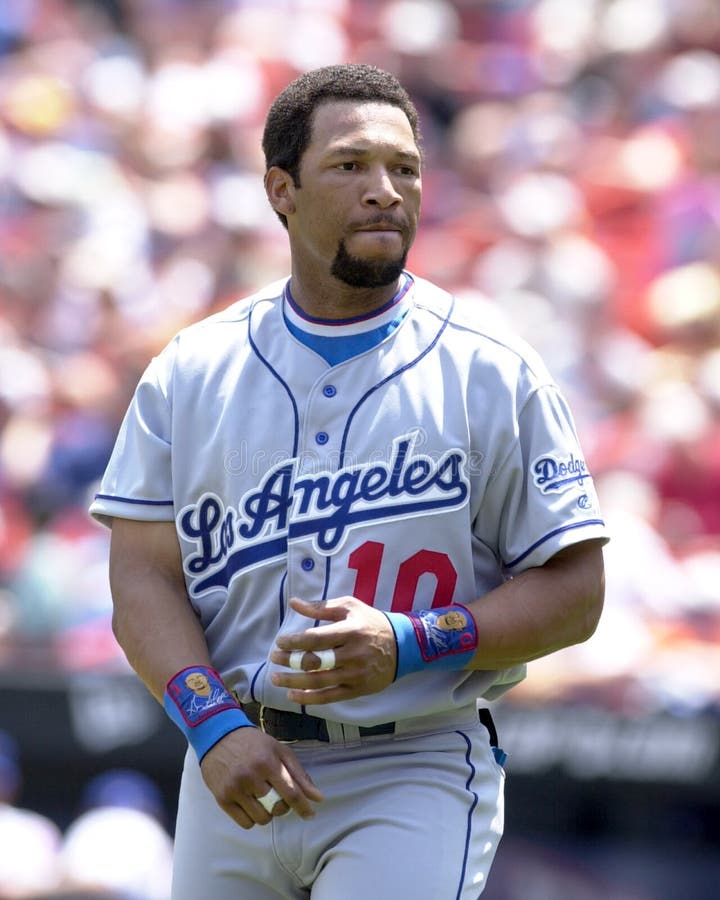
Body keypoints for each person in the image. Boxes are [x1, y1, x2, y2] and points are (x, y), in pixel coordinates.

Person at [89, 64, 609, 899]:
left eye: (404, 168)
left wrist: (411, 641)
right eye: (350, 165)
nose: (384, 190)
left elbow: (577, 592)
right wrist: (211, 726)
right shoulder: (192, 370)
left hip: (412, 760)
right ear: (281, 189)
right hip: (235, 761)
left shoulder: (490, 367)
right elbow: (143, 580)